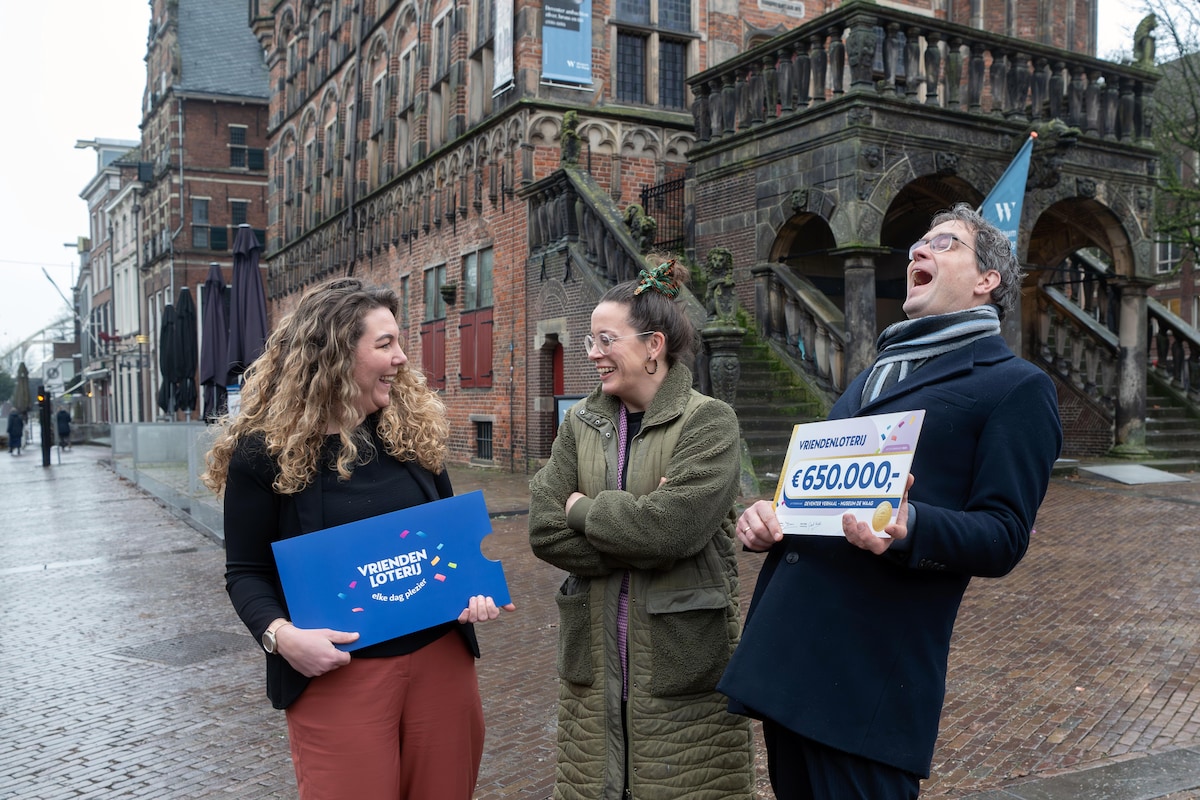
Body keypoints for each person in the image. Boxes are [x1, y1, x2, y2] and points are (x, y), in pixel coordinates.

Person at [719, 204, 1063, 799]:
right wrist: (770, 518)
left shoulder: (1016, 387)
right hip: (789, 664)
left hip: (869, 686)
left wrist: (912, 524)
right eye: (918, 244)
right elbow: (814, 499)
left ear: (988, 280)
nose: (918, 252)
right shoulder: (873, 373)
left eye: (945, 243)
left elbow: (1004, 534)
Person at [202, 277, 513, 800]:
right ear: (335, 355)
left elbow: (450, 546)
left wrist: (471, 593)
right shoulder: (263, 455)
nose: (402, 358)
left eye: (400, 342)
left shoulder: (410, 435)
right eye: (385, 344)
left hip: (442, 662)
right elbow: (246, 573)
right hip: (340, 676)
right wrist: (280, 636)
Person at [529, 259, 755, 799]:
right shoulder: (581, 423)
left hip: (682, 670)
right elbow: (542, 526)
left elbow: (671, 530)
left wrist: (582, 510)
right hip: (594, 671)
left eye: (606, 339)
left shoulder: (710, 421)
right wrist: (639, 537)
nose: (592, 352)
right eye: (589, 339)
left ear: (654, 345)